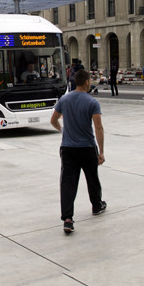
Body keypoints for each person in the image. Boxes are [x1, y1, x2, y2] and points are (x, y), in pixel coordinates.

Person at [50, 68, 106, 235]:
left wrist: (62, 130)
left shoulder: (64, 100)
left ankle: (67, 219)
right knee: (92, 177)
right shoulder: (92, 102)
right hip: (87, 147)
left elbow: (53, 120)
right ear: (87, 82)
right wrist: (101, 152)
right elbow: (99, 128)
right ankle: (96, 205)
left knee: (68, 182)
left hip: (68, 148)